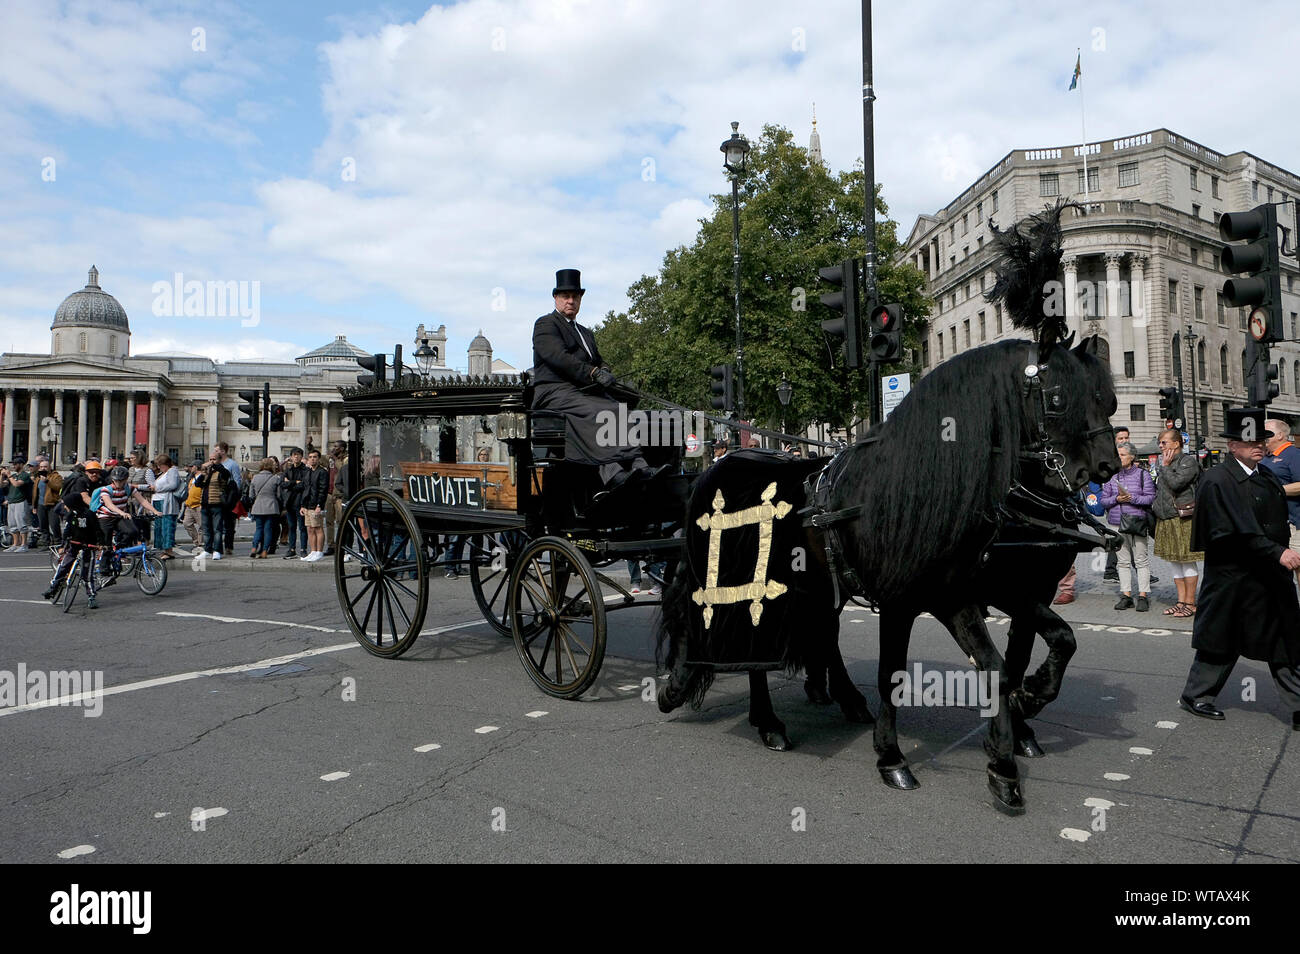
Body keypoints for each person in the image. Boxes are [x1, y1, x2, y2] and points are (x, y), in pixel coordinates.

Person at [1178, 408, 1300, 728]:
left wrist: (1279, 554)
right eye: (1249, 442)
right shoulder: (1217, 480)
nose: (1257, 446)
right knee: (1221, 639)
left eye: (1261, 440)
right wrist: (1277, 552)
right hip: (1232, 577)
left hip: (1268, 575)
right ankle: (1196, 696)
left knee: (1284, 638)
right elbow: (1229, 531)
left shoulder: (1266, 475)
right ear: (1232, 446)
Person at [531, 268, 667, 493]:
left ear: (580, 299)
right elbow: (558, 357)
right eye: (566, 296)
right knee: (601, 412)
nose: (571, 301)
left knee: (621, 409)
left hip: (582, 391)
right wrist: (593, 373)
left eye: (575, 296)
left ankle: (638, 466)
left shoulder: (586, 333)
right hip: (554, 392)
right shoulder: (545, 324)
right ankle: (612, 472)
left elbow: (599, 361)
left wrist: (604, 371)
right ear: (556, 298)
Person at [1152, 428, 1203, 618]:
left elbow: (1176, 484)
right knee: (1174, 561)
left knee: (1187, 560)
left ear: (1176, 443)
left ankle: (1190, 602)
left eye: (1164, 442)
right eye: (1160, 442)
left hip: (1183, 517)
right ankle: (1180, 601)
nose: (1161, 446)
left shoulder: (1187, 461)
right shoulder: (1164, 463)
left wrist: (1165, 467)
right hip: (1166, 517)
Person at [1101, 442, 1155, 612]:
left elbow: (1150, 498)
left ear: (1132, 457)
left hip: (1136, 522)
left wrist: (1131, 498)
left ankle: (1143, 596)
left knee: (1141, 560)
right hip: (1116, 523)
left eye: (1123, 455)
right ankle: (1126, 596)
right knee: (1122, 562)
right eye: (1118, 455)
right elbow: (1103, 501)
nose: (1119, 458)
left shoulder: (1142, 475)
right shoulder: (1111, 476)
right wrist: (1116, 500)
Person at [43, 461, 105, 607]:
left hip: (88, 545)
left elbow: (97, 530)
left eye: (67, 505)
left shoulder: (89, 515)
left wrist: (100, 544)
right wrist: (63, 545)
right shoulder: (72, 516)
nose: (65, 508)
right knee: (64, 565)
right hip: (75, 544)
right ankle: (53, 586)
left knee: (87, 572)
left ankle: (91, 596)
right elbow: (67, 531)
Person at [1262, 418, 1300, 590]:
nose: (1263, 436)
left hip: (1294, 524)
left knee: (1298, 565)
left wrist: (1276, 490)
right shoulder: (1265, 457)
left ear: (1280, 435)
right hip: (1272, 524)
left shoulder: (1294, 455)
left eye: (1267, 432)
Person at [194, 454, 230, 560]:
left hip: (217, 504)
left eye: (214, 459)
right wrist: (203, 472)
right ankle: (207, 550)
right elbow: (198, 484)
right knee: (206, 529)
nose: (211, 461)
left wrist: (213, 465)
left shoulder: (222, 471)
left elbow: (225, 474)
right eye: (210, 459)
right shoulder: (206, 472)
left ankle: (217, 550)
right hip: (205, 504)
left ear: (219, 460)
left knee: (217, 529)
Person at [299, 448, 329, 562]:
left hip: (316, 503)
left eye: (315, 457)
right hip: (307, 504)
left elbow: (323, 489)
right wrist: (302, 505)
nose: (312, 459)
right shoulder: (307, 472)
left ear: (319, 459)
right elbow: (304, 488)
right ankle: (313, 551)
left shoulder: (322, 472)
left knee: (318, 528)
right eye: (310, 457)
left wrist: (319, 505)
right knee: (310, 529)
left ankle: (319, 551)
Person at [248, 458, 282, 559]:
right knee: (268, 530)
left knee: (258, 528)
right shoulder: (275, 478)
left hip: (258, 506)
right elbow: (279, 495)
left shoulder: (255, 478)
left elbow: (251, 495)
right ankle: (264, 551)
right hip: (271, 506)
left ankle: (254, 547)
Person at [212, 442, 241, 554]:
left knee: (229, 524)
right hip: (216, 497)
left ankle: (229, 546)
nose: (215, 452)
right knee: (217, 524)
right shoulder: (213, 463)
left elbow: (237, 481)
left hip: (228, 497)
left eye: (216, 450)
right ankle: (217, 547)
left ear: (223, 451)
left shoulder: (232, 464)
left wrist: (234, 496)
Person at [280, 448, 307, 559]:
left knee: (302, 527)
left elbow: (304, 485)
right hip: (290, 502)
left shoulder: (305, 470)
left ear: (301, 457)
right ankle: (291, 549)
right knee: (291, 527)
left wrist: (290, 483)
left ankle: (303, 549)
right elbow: (282, 484)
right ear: (291, 457)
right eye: (294, 455)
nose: (296, 457)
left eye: (299, 455)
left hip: (300, 502)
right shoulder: (288, 470)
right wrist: (294, 482)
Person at [2, 461, 34, 552]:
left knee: (21, 523)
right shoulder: (14, 476)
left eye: (15, 464)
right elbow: (1, 485)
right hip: (11, 502)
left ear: (21, 464)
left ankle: (24, 544)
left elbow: (17, 484)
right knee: (12, 524)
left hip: (21, 501)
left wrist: (9, 475)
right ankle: (15, 544)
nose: (14, 466)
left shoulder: (24, 475)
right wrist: (2, 475)